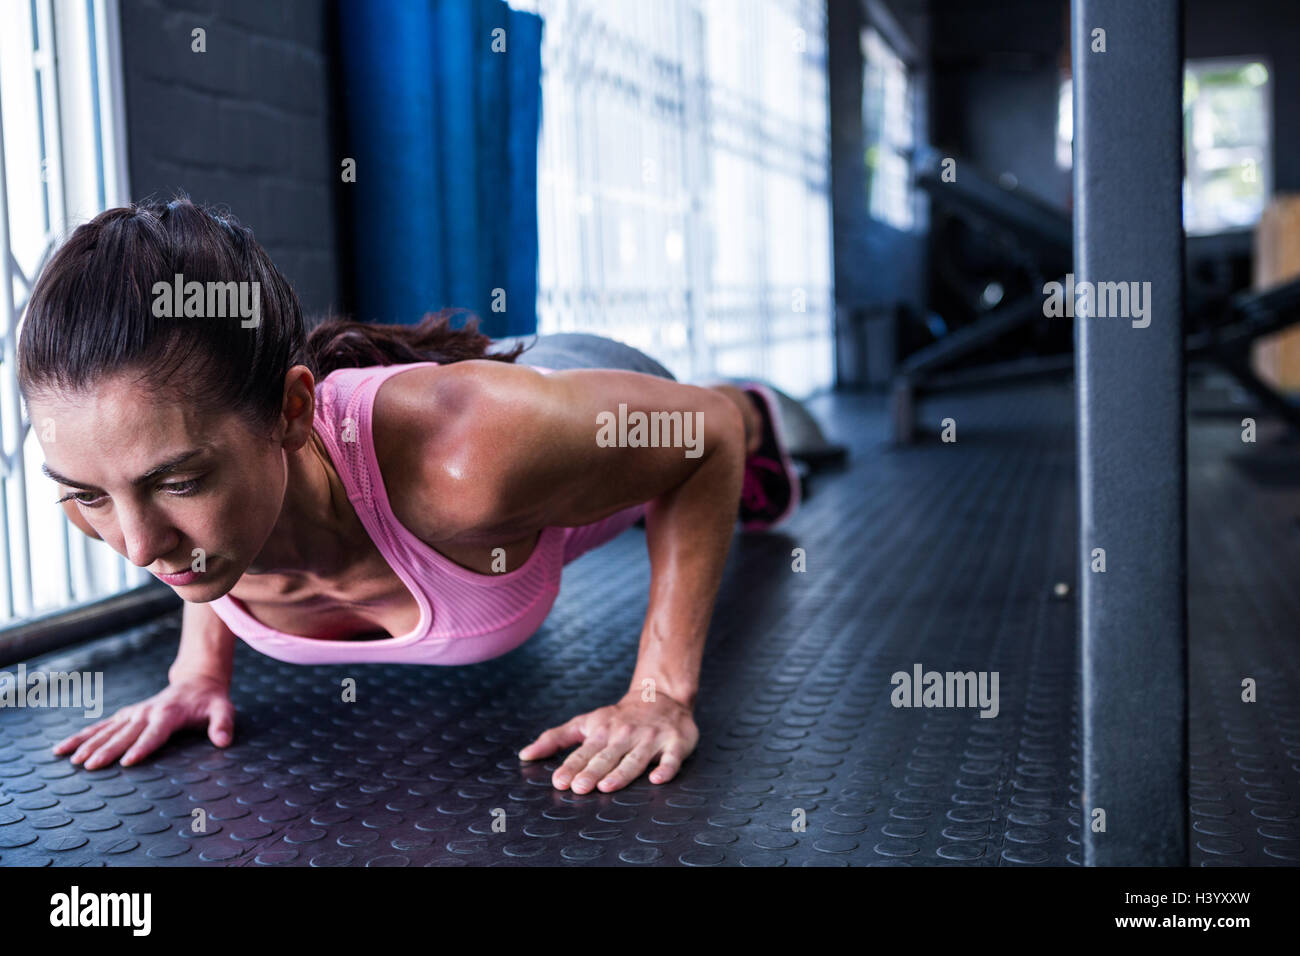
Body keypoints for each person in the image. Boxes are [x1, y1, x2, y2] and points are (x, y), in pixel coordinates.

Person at [20, 197, 806, 795]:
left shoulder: (472, 462)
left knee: (716, 423)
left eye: (179, 481)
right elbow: (184, 527)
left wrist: (659, 693)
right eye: (87, 496)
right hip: (425, 410)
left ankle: (752, 399)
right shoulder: (176, 497)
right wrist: (196, 676)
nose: (137, 546)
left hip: (562, 393)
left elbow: (700, 440)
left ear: (291, 413)